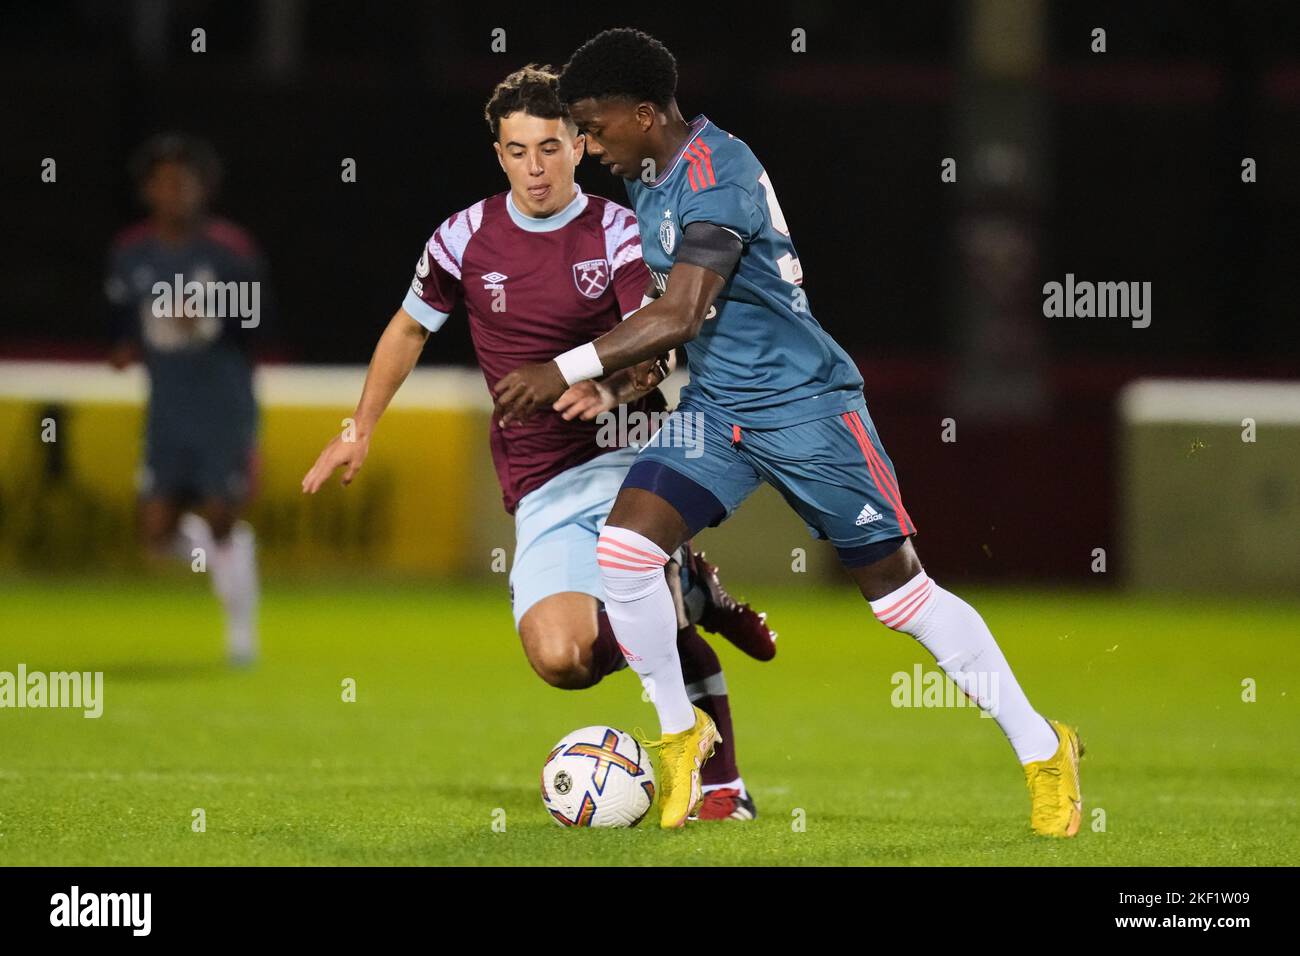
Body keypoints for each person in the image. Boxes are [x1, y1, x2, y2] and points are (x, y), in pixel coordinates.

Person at [492, 30, 1084, 833]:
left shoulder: (716, 170)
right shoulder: (650, 178)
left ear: (642, 112)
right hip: (717, 410)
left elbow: (682, 311)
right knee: (626, 551)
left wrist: (560, 369)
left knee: (902, 596)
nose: (586, 147)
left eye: (593, 127)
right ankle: (679, 739)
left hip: (806, 406)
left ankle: (1043, 746)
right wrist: (618, 379)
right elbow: (677, 332)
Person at [302, 66, 776, 821]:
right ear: (498, 154)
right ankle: (687, 592)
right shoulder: (462, 238)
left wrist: (609, 388)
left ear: (581, 146)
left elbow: (656, 347)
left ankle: (723, 785)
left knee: (645, 610)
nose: (536, 167)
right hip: (543, 480)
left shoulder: (621, 231)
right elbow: (406, 329)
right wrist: (360, 426)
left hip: (634, 457)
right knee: (564, 661)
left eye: (551, 147)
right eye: (518, 150)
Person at [106, 133, 265, 667]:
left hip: (221, 404)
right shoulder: (131, 254)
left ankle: (240, 632)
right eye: (163, 182)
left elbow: (256, 326)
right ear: (147, 190)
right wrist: (127, 348)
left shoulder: (229, 252)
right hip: (167, 407)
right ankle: (227, 560)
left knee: (222, 513)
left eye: (184, 181)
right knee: (155, 532)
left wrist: (209, 321)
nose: (174, 192)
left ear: (204, 189)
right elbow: (124, 325)